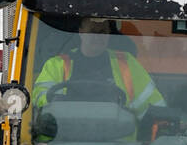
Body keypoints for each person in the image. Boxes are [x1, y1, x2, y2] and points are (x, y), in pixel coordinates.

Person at [32, 18, 162, 127]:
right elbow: (40, 96)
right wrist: (60, 103)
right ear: (81, 32)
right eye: (92, 32)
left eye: (102, 32)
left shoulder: (127, 62)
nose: (98, 37)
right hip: (65, 140)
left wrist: (164, 121)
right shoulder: (56, 64)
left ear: (109, 34)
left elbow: (152, 103)